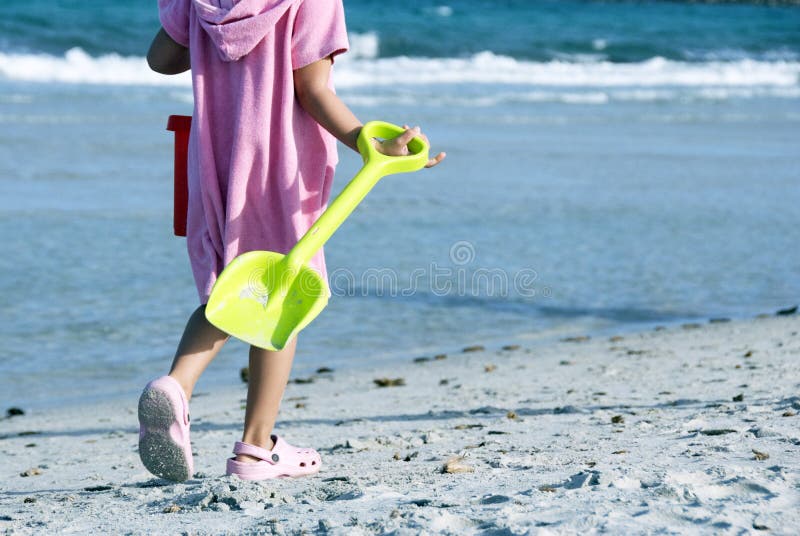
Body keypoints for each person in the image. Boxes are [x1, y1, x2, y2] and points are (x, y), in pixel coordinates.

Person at [137, 0, 445, 482]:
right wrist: (369, 142)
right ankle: (256, 448)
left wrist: (205, 42)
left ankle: (175, 385)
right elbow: (312, 88)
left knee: (230, 287)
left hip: (213, 158)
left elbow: (162, 59)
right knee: (283, 296)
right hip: (281, 167)